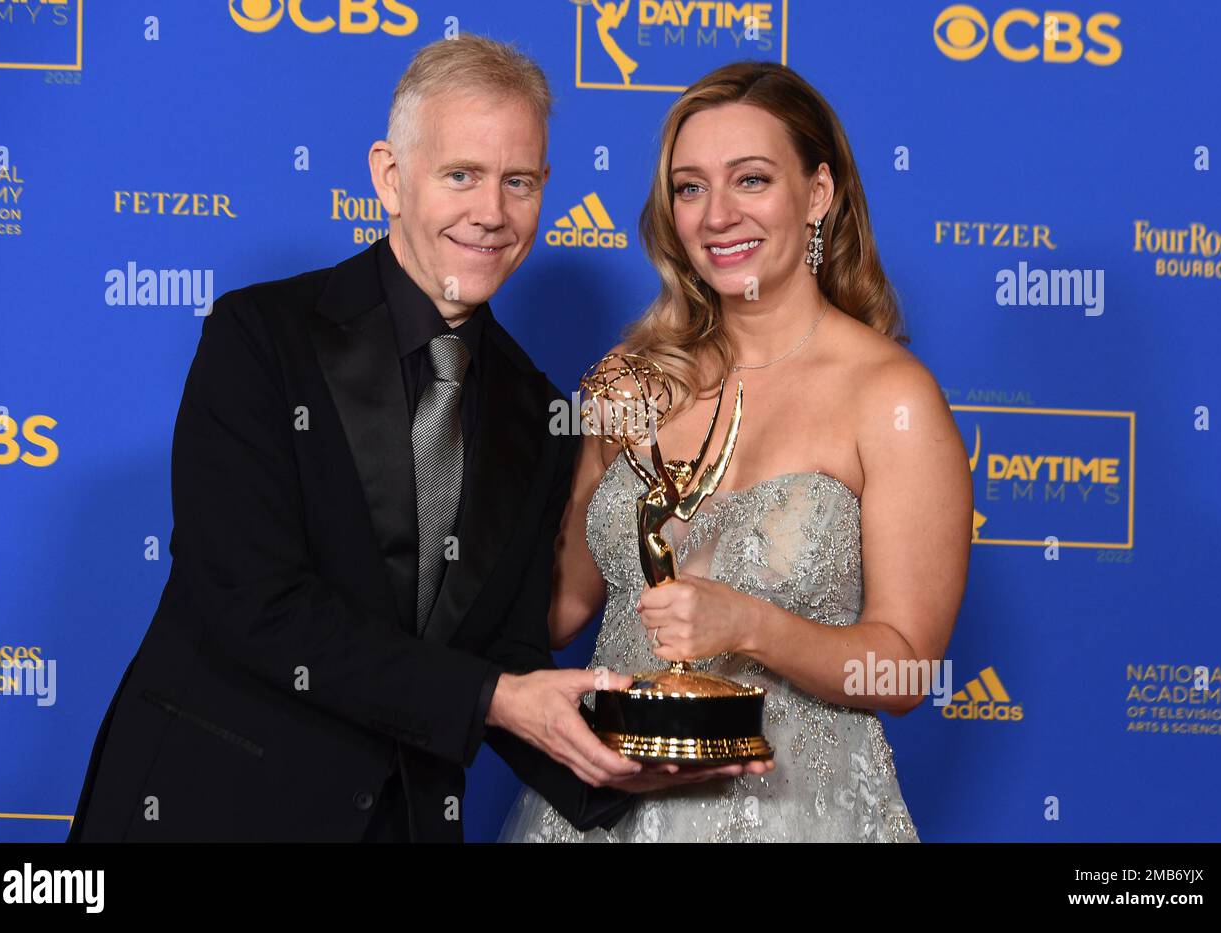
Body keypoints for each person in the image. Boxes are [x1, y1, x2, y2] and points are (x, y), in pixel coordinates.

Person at [66, 34, 759, 844]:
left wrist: (610, 765)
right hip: (207, 809)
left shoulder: (537, 411)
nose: (491, 212)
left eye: (519, 181)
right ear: (390, 177)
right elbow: (254, 601)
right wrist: (494, 697)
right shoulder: (259, 337)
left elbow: (503, 649)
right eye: (461, 174)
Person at [500, 61, 972, 842]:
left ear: (818, 193)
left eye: (751, 179)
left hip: (800, 815)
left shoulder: (891, 398)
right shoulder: (633, 380)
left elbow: (905, 668)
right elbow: (559, 610)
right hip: (609, 814)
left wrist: (750, 624)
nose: (717, 215)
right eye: (690, 188)